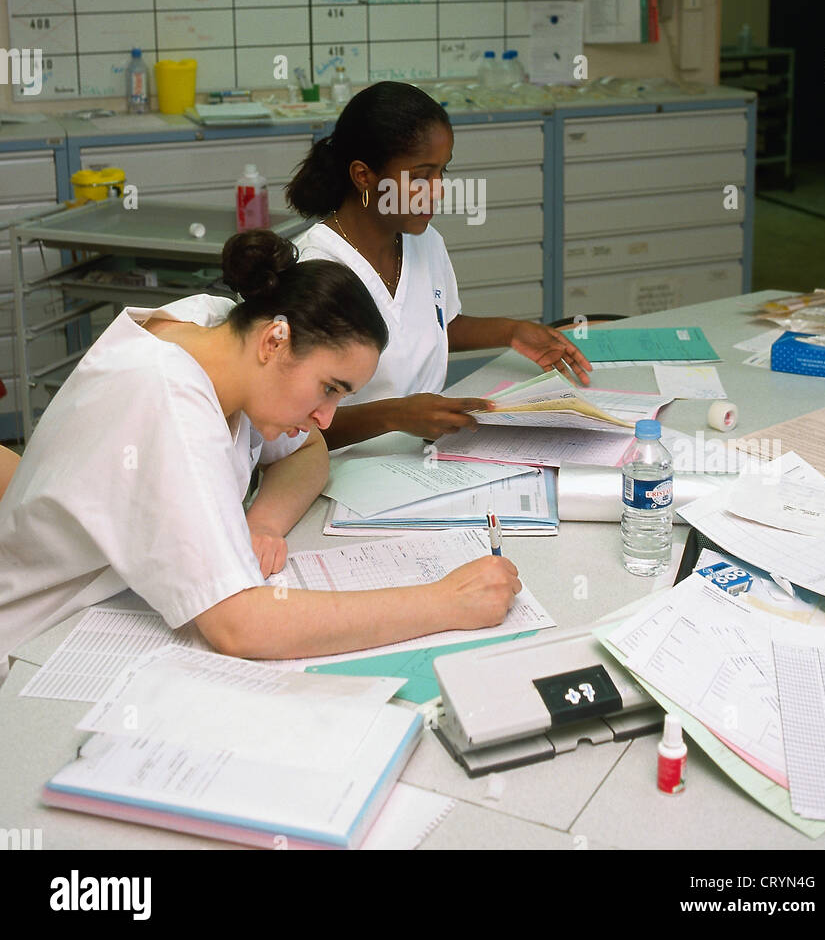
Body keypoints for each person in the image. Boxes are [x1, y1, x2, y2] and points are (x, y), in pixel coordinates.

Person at [0, 230, 520, 681]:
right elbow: (240, 625)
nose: (327, 417)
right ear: (276, 341)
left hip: (107, 605)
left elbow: (307, 452)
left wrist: (263, 524)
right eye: (329, 388)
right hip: (33, 643)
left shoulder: (221, 328)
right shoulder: (169, 400)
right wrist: (445, 602)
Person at [287, 81, 591, 449]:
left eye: (441, 173)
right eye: (419, 176)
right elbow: (290, 425)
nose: (437, 191)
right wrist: (395, 415)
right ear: (363, 176)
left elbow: (432, 324)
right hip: (343, 470)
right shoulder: (314, 267)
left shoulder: (423, 241)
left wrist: (511, 332)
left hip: (431, 457)